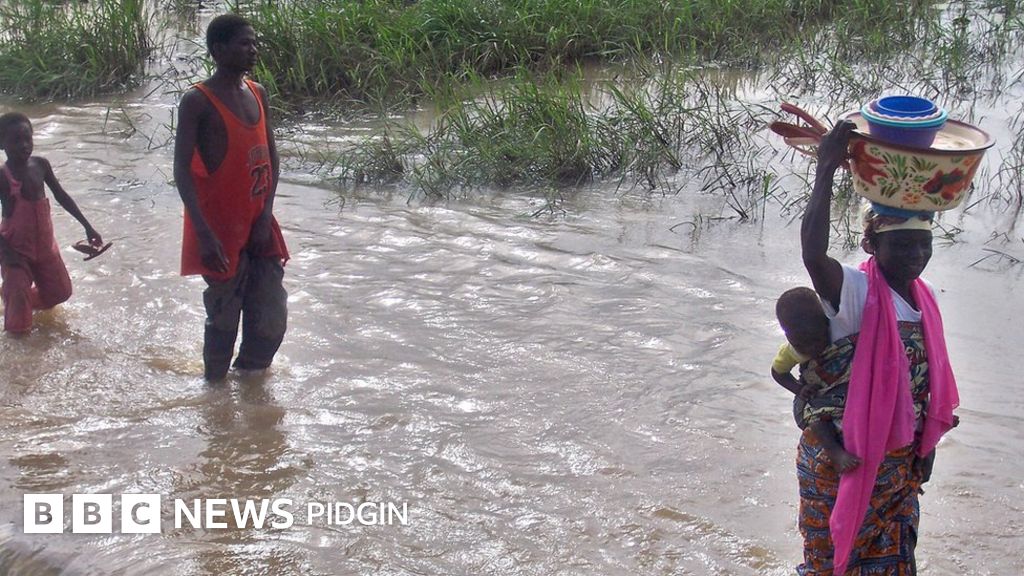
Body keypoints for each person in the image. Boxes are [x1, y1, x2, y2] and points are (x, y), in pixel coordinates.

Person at [796, 120, 960, 575]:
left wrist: (927, 447)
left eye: (923, 245)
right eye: (903, 246)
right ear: (872, 243)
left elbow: (923, 387)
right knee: (831, 566)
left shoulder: (922, 301)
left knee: (895, 562)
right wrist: (826, 169)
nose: (916, 256)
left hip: (897, 471)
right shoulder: (855, 292)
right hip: (842, 465)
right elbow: (813, 255)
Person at [174, 14, 289, 381]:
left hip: (258, 223)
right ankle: (215, 397)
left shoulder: (258, 93)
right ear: (218, 50)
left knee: (271, 317)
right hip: (219, 228)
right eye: (244, 43)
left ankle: (252, 390)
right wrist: (203, 234)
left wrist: (265, 214)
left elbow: (272, 158)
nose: (253, 50)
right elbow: (181, 171)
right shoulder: (198, 101)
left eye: (254, 42)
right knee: (223, 318)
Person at [0, 112, 104, 334]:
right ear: (2, 144)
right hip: (16, 251)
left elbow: (62, 196)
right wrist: (5, 251)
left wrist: (87, 226)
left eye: (28, 138)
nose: (24, 145)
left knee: (60, 293)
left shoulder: (41, 165)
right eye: (16, 140)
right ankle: (20, 351)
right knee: (18, 325)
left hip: (46, 247)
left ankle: (16, 298)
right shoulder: (2, 175)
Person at [772, 287, 861, 473]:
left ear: (826, 323)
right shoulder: (791, 351)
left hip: (836, 390)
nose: (811, 349)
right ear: (788, 337)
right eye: (801, 344)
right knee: (817, 421)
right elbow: (778, 372)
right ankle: (835, 453)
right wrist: (798, 389)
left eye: (816, 340)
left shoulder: (839, 332)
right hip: (811, 397)